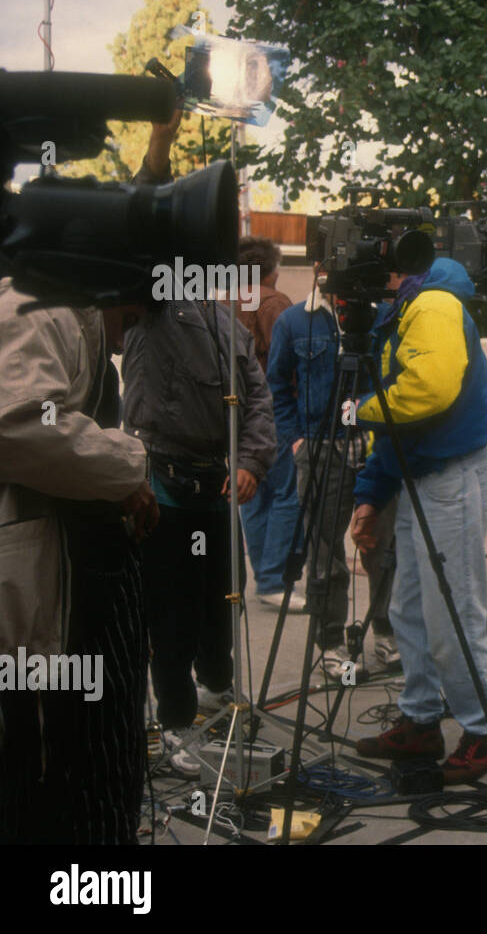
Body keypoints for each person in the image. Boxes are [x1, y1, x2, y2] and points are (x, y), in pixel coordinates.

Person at [124, 112, 277, 774]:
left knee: (221, 607)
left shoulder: (225, 322)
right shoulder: (151, 299)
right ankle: (177, 723)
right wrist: (160, 141)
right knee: (172, 617)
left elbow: (260, 400)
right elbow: (139, 220)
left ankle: (221, 703)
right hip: (164, 486)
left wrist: (250, 462)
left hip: (218, 489)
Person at [0, 285, 159, 843]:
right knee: (46, 771)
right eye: (133, 315)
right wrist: (128, 466)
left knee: (97, 764)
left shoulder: (84, 323)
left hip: (81, 582)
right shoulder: (39, 307)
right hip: (47, 599)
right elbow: (20, 424)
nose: (129, 333)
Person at [348, 259, 487, 784]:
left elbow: (424, 395)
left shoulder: (433, 303)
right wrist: (372, 493)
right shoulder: (402, 308)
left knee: (452, 614)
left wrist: (360, 408)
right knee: (409, 607)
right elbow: (398, 428)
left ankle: (483, 734)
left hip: (452, 477)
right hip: (425, 476)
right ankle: (420, 721)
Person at [265, 278, 400, 677]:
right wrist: (296, 441)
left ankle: (387, 633)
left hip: (373, 442)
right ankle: (331, 641)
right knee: (324, 554)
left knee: (383, 548)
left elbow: (394, 380)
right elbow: (276, 385)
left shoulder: (381, 320)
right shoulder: (295, 322)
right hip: (320, 446)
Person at [233, 236, 304, 610]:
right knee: (285, 493)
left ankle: (265, 576)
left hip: (236, 412)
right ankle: (273, 580)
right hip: (274, 410)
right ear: (272, 270)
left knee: (253, 494)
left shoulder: (223, 300)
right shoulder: (275, 303)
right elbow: (289, 363)